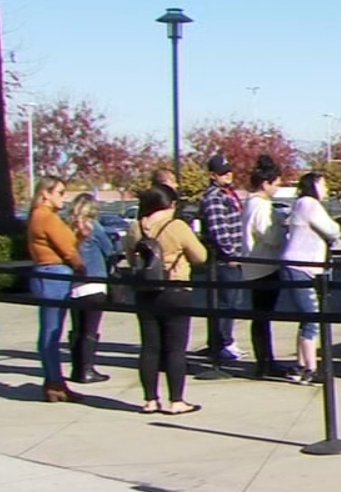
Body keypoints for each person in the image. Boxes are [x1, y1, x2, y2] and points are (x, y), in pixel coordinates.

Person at [123, 185, 207, 415]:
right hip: (175, 288)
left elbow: (130, 259)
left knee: (149, 347)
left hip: (145, 291)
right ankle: (176, 400)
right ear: (170, 204)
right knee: (175, 349)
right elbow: (200, 256)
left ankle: (150, 400)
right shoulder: (176, 226)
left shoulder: (135, 227)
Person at [276, 172, 340, 384]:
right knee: (312, 318)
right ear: (314, 185)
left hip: (297, 266)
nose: (327, 189)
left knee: (306, 318)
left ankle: (301, 365)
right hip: (302, 266)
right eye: (323, 184)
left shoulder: (300, 203)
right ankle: (310, 368)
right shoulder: (310, 204)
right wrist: (335, 232)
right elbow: (332, 229)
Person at [26, 176, 85, 403]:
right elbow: (67, 248)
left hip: (46, 273)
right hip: (54, 273)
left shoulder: (37, 215)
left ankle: (53, 381)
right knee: (51, 331)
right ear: (46, 193)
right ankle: (54, 383)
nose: (64, 197)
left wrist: (78, 237)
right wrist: (80, 266)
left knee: (50, 329)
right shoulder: (46, 216)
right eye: (60, 192)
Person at [241, 155, 286, 379]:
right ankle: (264, 362)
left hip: (256, 265)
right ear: (266, 183)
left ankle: (265, 360)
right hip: (263, 266)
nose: (278, 188)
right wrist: (281, 224)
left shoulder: (251, 204)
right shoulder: (261, 207)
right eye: (276, 184)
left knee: (261, 316)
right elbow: (271, 237)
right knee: (262, 316)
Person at [200, 154, 246, 364]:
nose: (228, 175)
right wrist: (230, 254)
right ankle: (223, 343)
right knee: (226, 303)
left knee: (232, 302)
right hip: (224, 260)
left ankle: (221, 341)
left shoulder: (229, 193)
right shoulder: (214, 197)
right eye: (222, 173)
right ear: (212, 175)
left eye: (229, 171)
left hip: (234, 257)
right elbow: (219, 230)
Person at [66, 194, 114, 384]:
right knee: (90, 329)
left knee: (77, 328)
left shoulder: (68, 228)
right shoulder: (94, 227)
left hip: (73, 283)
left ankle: (77, 368)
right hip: (94, 282)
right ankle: (87, 369)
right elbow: (109, 250)